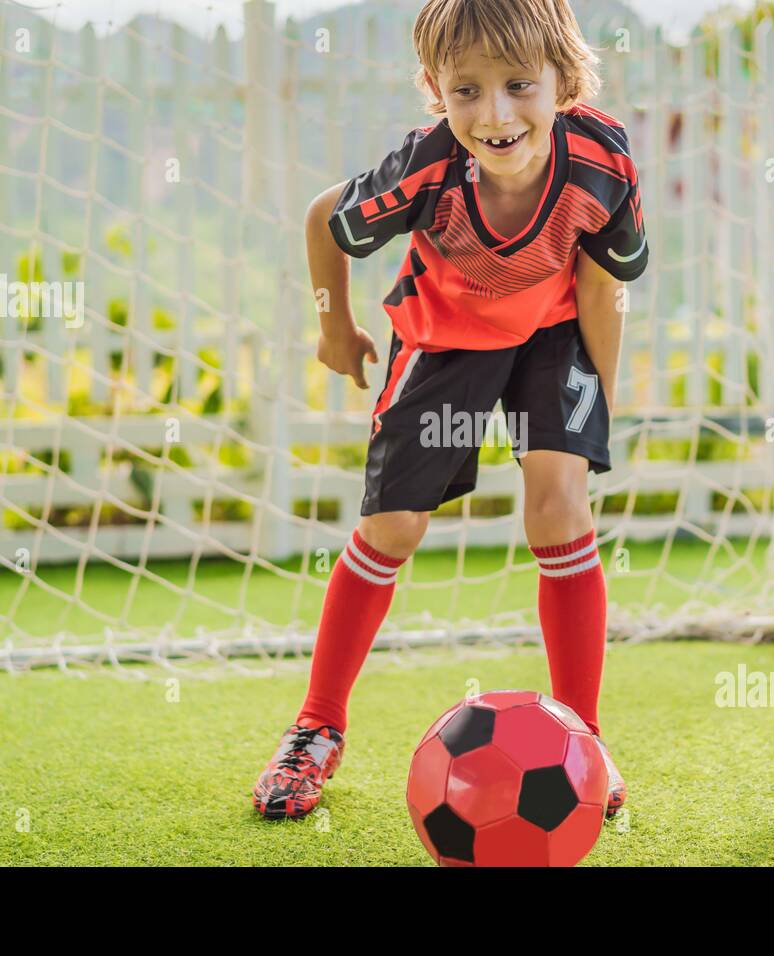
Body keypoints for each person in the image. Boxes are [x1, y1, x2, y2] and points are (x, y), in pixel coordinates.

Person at [254, 0, 648, 822]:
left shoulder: (604, 161)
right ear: (436, 90)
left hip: (552, 335)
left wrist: (597, 399)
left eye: (518, 85)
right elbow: (323, 220)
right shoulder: (427, 168)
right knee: (393, 528)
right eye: (466, 91)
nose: (495, 114)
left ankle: (586, 739)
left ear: (564, 81)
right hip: (446, 341)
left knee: (559, 508)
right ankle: (316, 727)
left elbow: (603, 283)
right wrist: (335, 328)